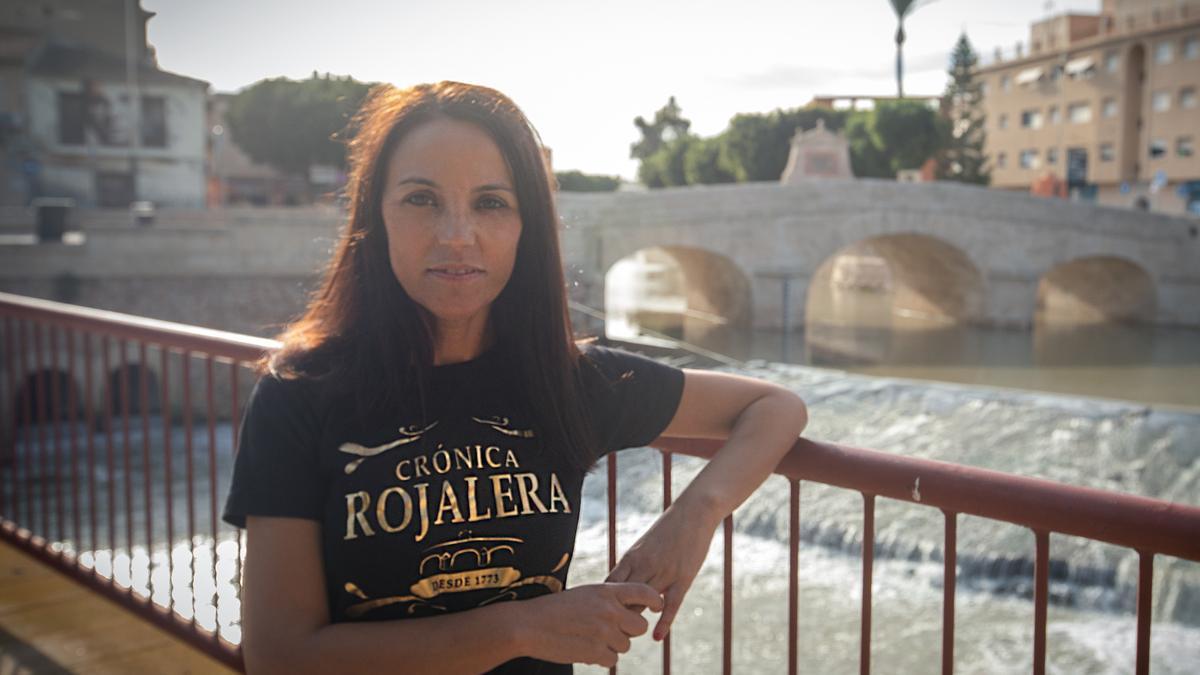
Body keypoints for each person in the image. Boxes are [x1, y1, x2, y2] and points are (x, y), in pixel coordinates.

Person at [223, 81, 808, 674]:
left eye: (491, 203)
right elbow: (281, 658)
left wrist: (694, 517)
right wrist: (519, 627)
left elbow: (774, 407)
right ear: (375, 217)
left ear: (527, 227)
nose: (456, 235)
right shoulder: (299, 395)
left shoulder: (566, 381)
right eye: (421, 199)